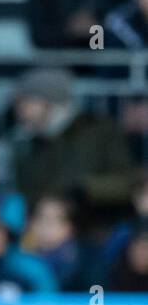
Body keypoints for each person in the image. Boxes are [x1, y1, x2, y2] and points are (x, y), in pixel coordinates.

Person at [8, 67, 137, 231]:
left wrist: (79, 191)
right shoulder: (29, 144)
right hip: (48, 234)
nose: (20, 110)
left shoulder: (100, 132)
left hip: (97, 229)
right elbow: (27, 195)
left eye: (27, 101)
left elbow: (126, 182)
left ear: (49, 102)